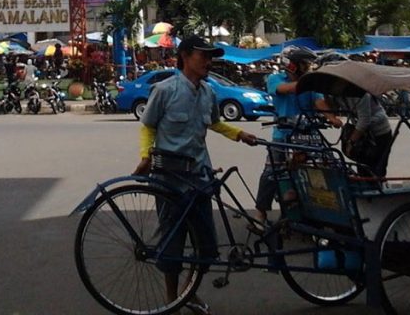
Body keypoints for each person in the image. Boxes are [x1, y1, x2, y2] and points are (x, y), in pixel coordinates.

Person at [135, 35, 258, 314]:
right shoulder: (164, 90)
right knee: (172, 244)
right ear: (185, 56)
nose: (208, 62)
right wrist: (145, 156)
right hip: (169, 179)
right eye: (203, 56)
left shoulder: (208, 93)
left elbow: (215, 123)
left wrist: (240, 134)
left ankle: (188, 293)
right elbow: (148, 126)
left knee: (205, 246)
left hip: (199, 177)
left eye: (210, 56)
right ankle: (172, 300)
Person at [253, 47, 341, 223]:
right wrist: (309, 81)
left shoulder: (309, 83)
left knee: (328, 164)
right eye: (304, 64)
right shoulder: (275, 78)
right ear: (293, 65)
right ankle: (260, 213)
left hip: (308, 134)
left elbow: (318, 101)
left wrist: (332, 118)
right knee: (271, 173)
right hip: (283, 134)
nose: (307, 67)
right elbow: (284, 89)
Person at [341, 93, 393, 178]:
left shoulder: (360, 94)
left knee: (377, 169)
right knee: (363, 168)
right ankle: (367, 185)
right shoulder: (337, 95)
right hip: (363, 134)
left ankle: (376, 186)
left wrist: (351, 142)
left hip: (380, 132)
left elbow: (364, 121)